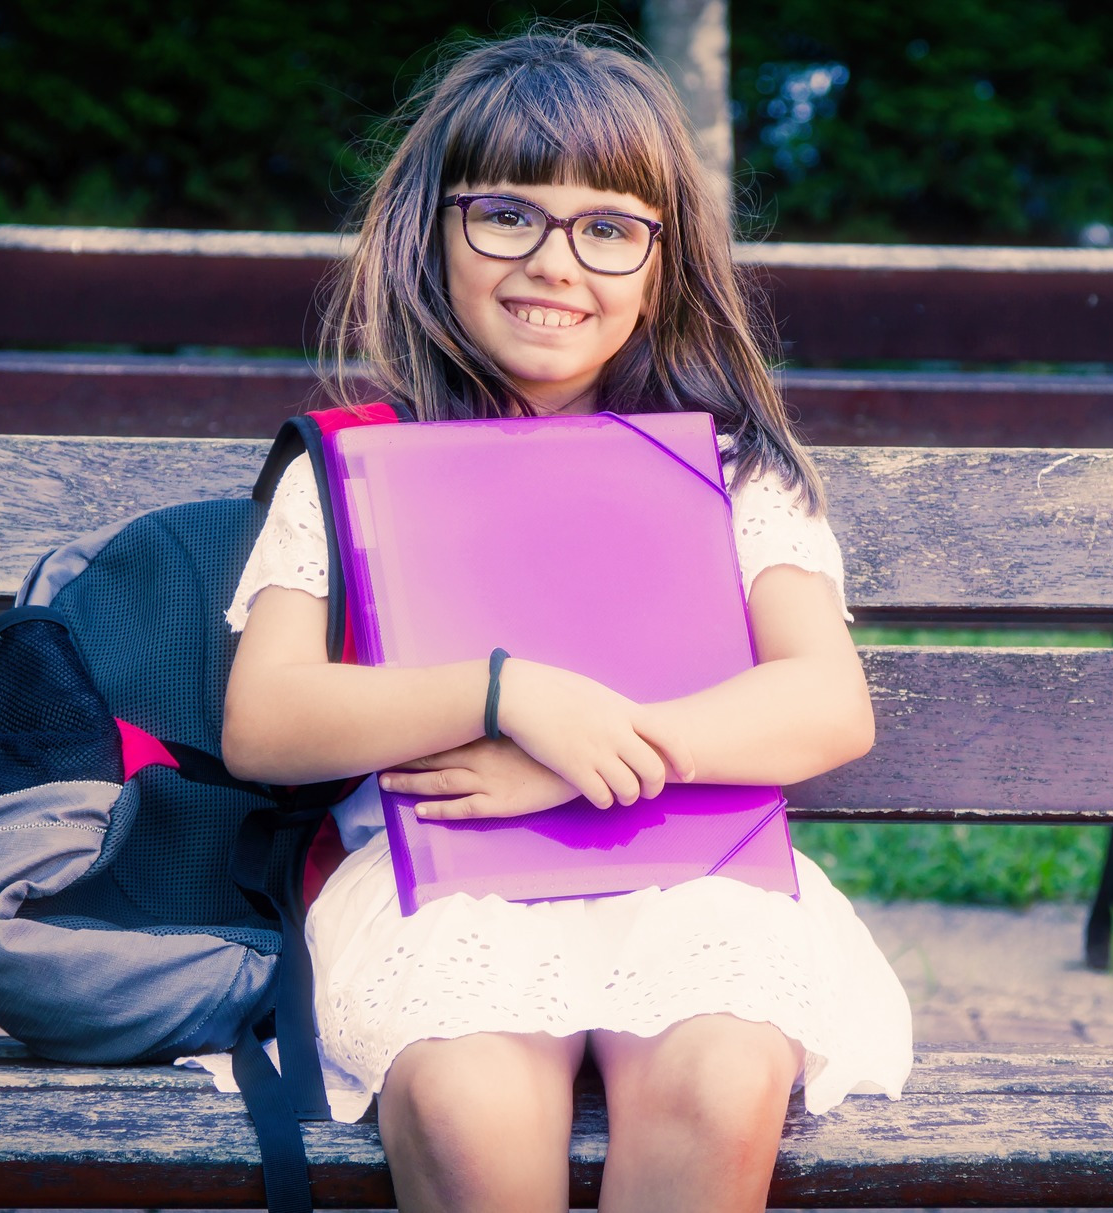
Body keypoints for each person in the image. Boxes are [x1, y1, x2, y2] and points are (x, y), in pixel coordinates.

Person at [218, 25, 912, 1213]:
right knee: (467, 1099)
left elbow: (823, 700)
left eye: (606, 228)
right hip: (435, 888)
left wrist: (592, 754)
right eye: (506, 215)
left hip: (689, 871)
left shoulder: (729, 471)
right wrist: (506, 692)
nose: (554, 262)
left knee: (721, 1071)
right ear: (432, 231)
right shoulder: (349, 472)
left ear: (661, 260)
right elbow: (266, 720)